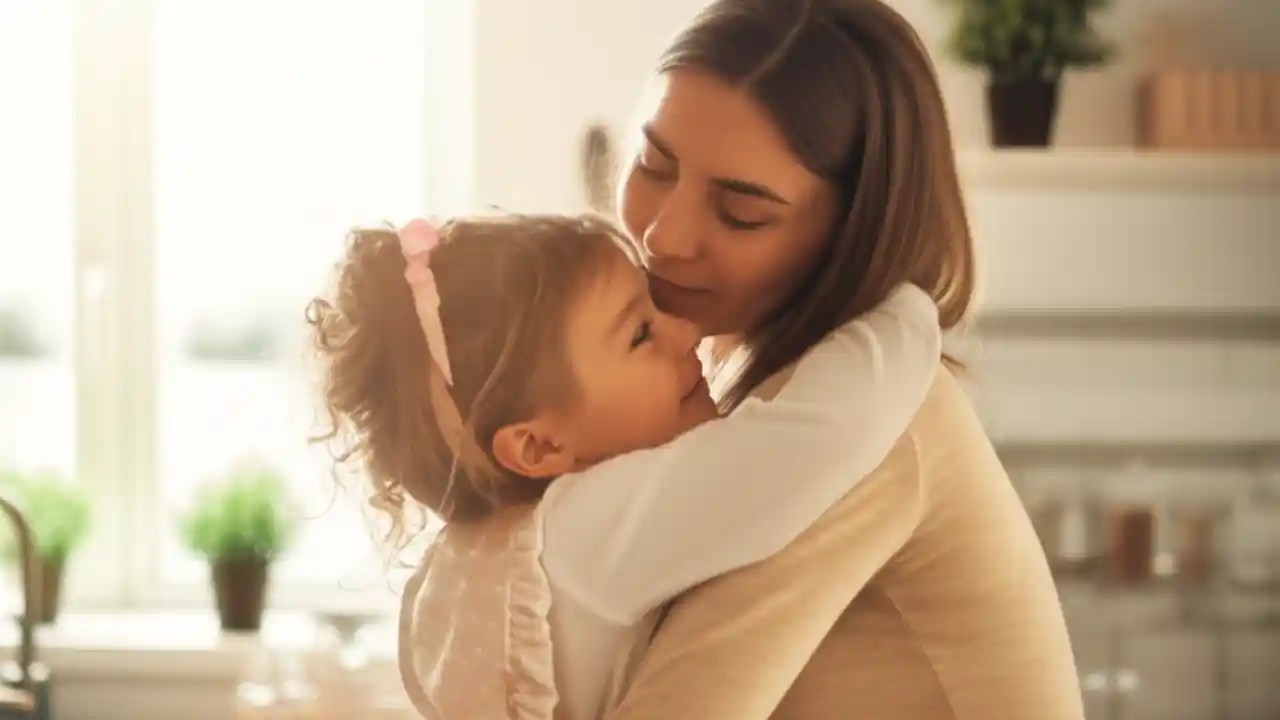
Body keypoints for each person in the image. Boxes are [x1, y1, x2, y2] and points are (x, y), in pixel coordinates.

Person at [607, 0, 1084, 717]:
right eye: (654, 165)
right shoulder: (729, 366)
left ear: (855, 230)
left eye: (741, 212)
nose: (664, 236)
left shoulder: (857, 412)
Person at [307, 213, 941, 719]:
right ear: (538, 448)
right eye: (640, 334)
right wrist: (904, 297)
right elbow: (826, 433)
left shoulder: (446, 581)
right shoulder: (587, 534)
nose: (687, 332)